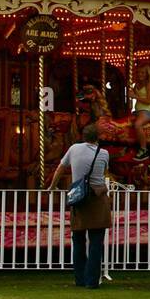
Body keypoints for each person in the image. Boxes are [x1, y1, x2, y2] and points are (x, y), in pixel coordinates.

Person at [53, 122, 111, 288]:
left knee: (78, 239)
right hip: (97, 198)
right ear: (97, 138)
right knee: (96, 241)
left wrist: (51, 186)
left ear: (83, 137)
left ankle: (80, 278)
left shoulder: (73, 149)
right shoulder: (104, 153)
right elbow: (105, 171)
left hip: (79, 197)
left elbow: (60, 168)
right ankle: (92, 281)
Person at [130, 65, 150, 160]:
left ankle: (143, 149)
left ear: (147, 74)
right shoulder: (136, 85)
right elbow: (132, 95)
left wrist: (135, 97)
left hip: (148, 111)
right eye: (138, 72)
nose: (140, 74)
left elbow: (148, 100)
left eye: (142, 73)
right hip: (137, 111)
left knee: (137, 124)